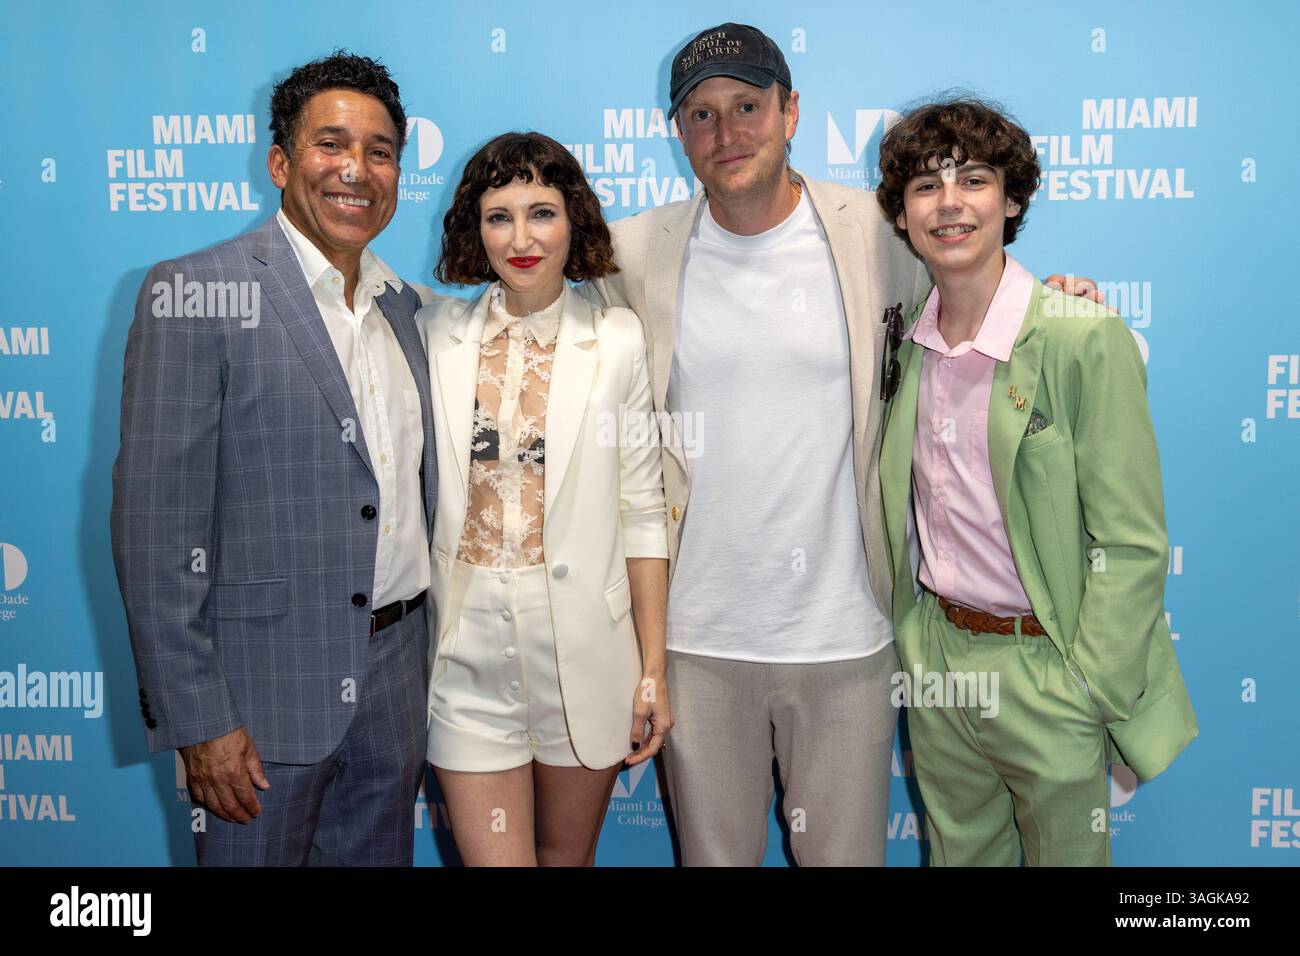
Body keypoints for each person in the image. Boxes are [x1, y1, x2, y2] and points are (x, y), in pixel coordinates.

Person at [589, 22, 1106, 866]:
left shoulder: (875, 232)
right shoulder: (634, 251)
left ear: (791, 111)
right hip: (696, 638)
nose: (727, 133)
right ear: (677, 131)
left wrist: (1056, 298)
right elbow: (551, 331)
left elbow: (971, 288)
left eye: (748, 106)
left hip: (849, 634)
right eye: (703, 115)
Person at [111, 51, 436, 866]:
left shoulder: (409, 311)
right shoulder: (195, 293)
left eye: (380, 151)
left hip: (398, 679)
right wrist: (199, 720)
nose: (356, 170)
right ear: (281, 163)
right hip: (256, 700)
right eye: (331, 145)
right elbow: (154, 530)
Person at [875, 97, 1197, 865]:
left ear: (1012, 199)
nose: (949, 202)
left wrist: (1090, 687)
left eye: (974, 180)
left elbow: (1131, 539)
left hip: (1049, 666)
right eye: (925, 186)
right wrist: (917, 646)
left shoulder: (1081, 335)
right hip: (941, 658)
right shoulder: (905, 340)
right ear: (901, 217)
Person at [419, 132, 671, 866]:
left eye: (542, 213)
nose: (521, 238)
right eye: (499, 216)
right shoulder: (436, 333)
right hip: (466, 653)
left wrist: (651, 667)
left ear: (575, 222)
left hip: (587, 654)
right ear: (475, 229)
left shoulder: (618, 339)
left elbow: (643, 511)